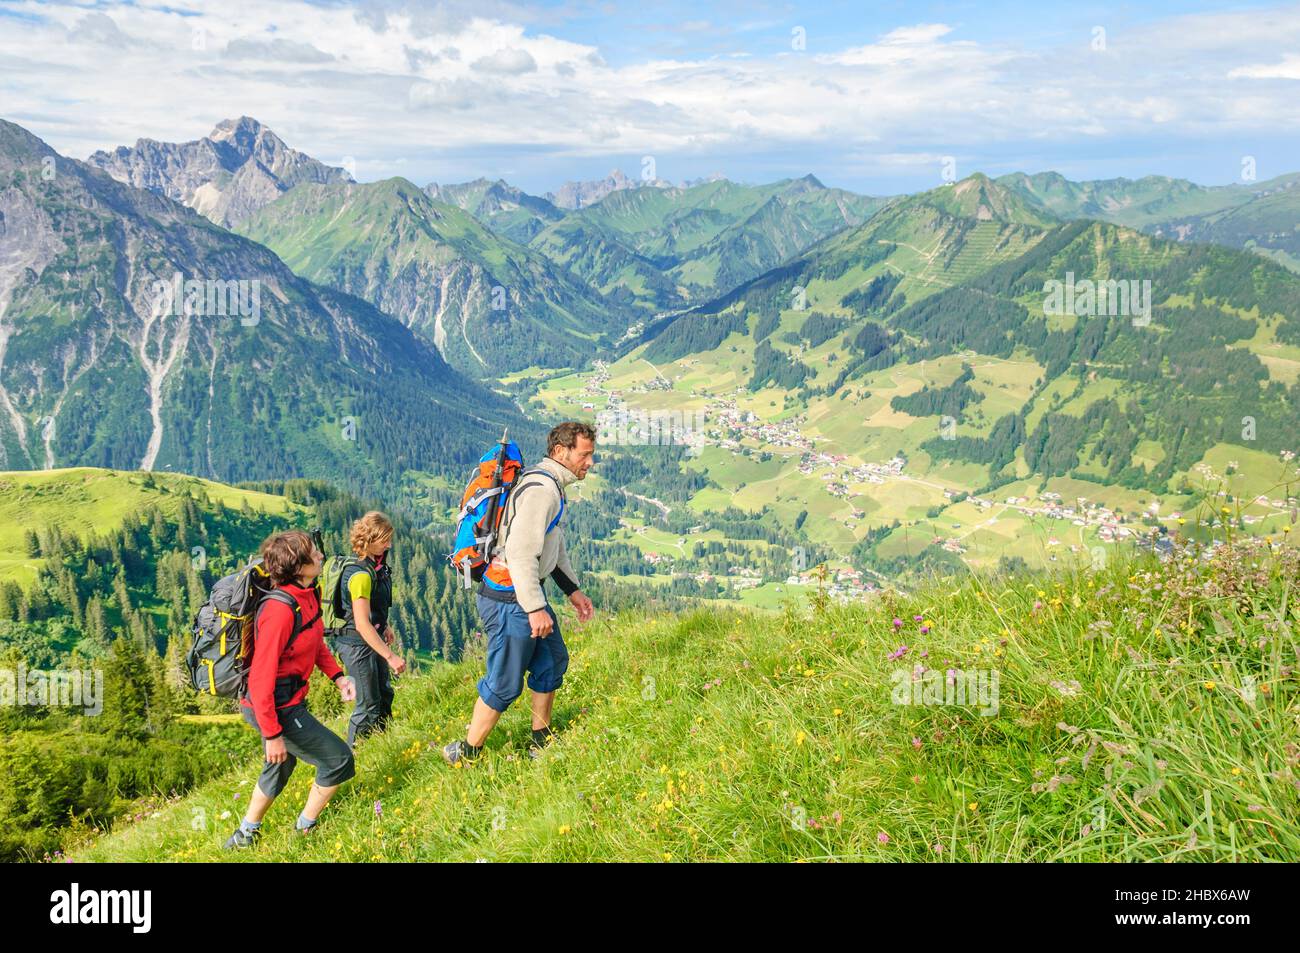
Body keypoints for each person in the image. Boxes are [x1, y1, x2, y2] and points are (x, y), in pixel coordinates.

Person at [443, 421, 596, 765]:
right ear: (561, 451)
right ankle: (465, 753)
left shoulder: (549, 484)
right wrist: (534, 608)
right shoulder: (542, 490)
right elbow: (522, 552)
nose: (590, 463)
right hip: (510, 598)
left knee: (551, 661)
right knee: (504, 682)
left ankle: (540, 742)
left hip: (523, 596)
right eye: (585, 455)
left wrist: (571, 590)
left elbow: (550, 545)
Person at [226, 530, 356, 849]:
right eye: (314, 555)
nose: (321, 556)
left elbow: (313, 640)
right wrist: (272, 734)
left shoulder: (309, 593)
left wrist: (338, 676)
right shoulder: (279, 611)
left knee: (282, 764)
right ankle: (305, 831)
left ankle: (245, 834)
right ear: (298, 567)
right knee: (339, 760)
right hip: (272, 705)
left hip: (284, 700)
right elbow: (260, 678)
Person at [332, 511, 405, 748]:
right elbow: (361, 622)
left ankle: (384, 744)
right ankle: (351, 756)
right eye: (384, 539)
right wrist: (390, 656)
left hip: (371, 638)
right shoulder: (361, 574)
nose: (389, 544)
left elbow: (372, 608)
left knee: (384, 694)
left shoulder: (376, 567)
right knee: (366, 704)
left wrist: (385, 626)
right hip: (356, 645)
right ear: (369, 540)